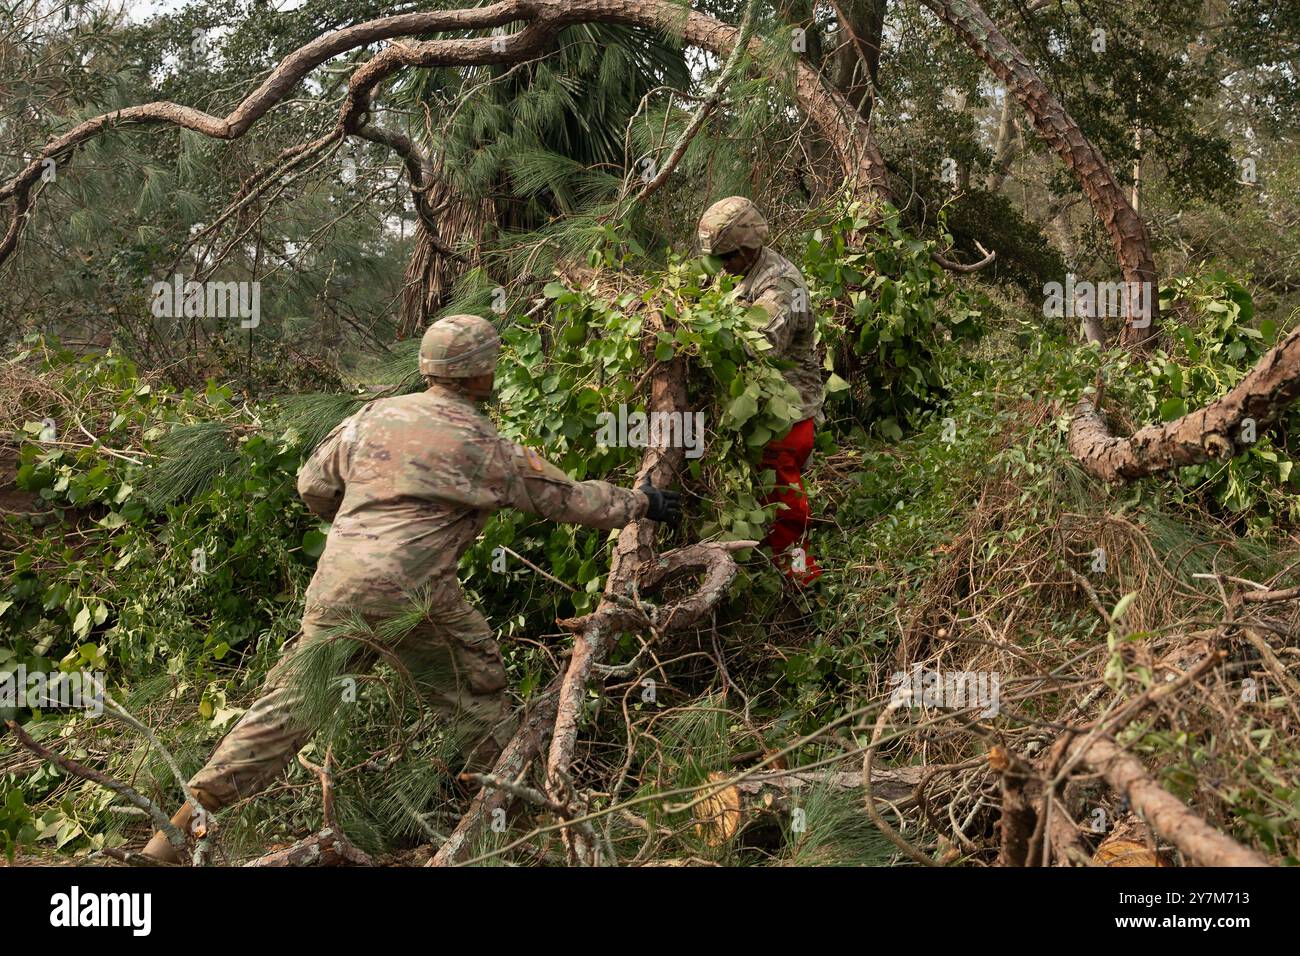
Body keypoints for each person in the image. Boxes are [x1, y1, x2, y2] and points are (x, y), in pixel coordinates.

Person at [141, 313, 680, 862]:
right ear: (483, 374)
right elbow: (564, 499)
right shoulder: (483, 442)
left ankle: (171, 837)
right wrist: (642, 503)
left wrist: (362, 529)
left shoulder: (370, 418)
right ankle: (521, 837)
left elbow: (312, 485)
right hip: (415, 597)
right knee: (479, 704)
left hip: (335, 588)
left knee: (284, 714)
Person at [698, 196, 824, 586]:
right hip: (757, 413)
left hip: (786, 417)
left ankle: (804, 582)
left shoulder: (782, 286)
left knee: (784, 508)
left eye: (727, 258)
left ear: (749, 249)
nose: (721, 268)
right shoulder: (734, 272)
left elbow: (755, 345)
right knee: (759, 503)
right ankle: (763, 570)